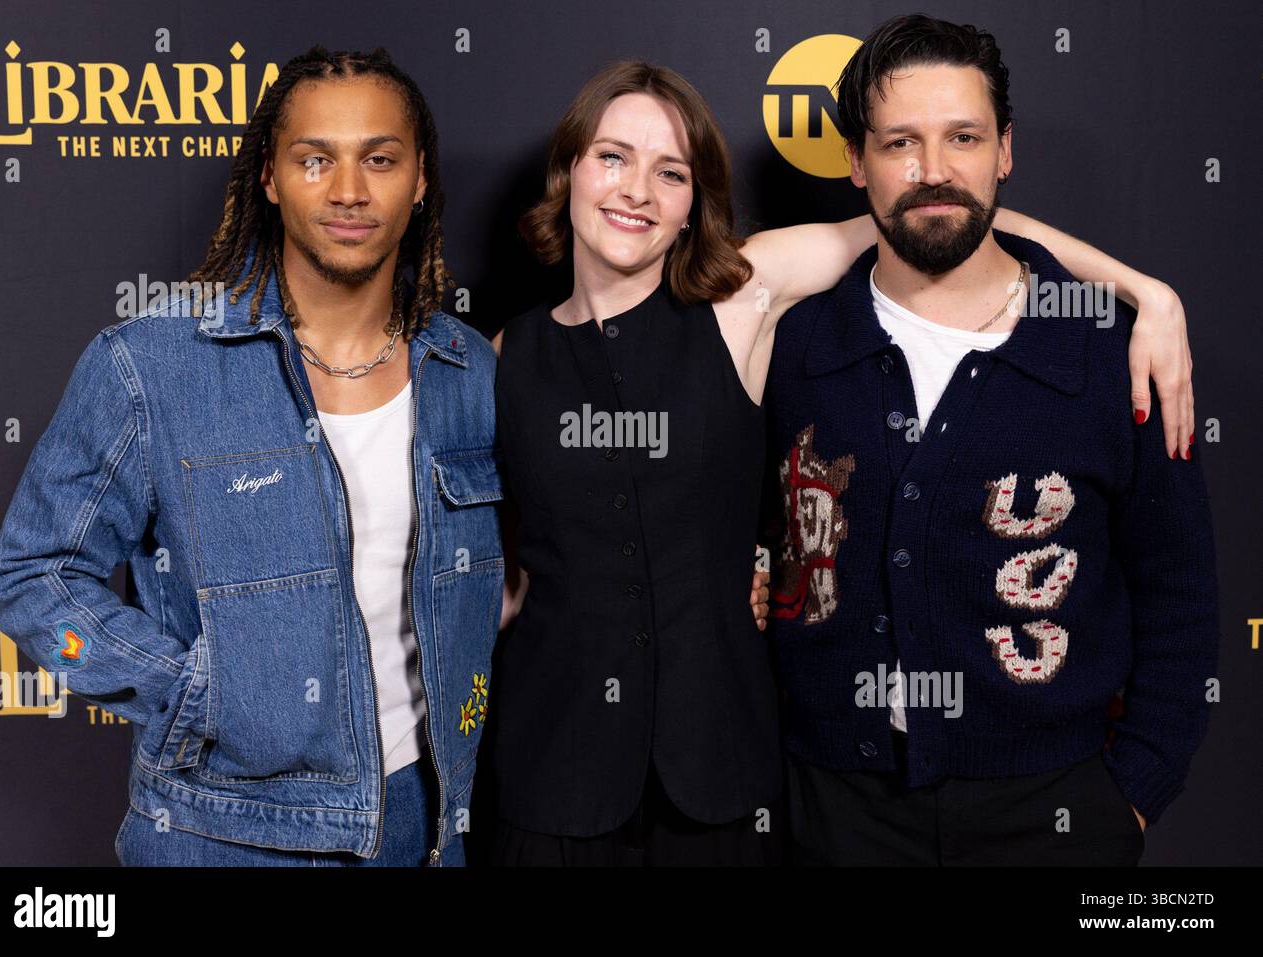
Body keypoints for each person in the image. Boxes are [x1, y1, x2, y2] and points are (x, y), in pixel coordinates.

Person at [486, 58, 1196, 866]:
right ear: (569, 169)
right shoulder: (502, 357)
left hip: (724, 782)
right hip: (552, 773)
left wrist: (1144, 291)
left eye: (670, 171)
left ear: (693, 204)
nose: (636, 190)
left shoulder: (742, 303)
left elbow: (938, 216)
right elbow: (494, 563)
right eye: (612, 157)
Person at [0, 47, 503, 866]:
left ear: (421, 178)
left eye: (379, 158)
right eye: (314, 159)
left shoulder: (469, 372)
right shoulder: (151, 363)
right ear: (269, 177)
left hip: (427, 824)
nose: (348, 191)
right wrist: (191, 690)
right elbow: (31, 574)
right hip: (219, 834)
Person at [764, 14, 1219, 866]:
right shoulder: (793, 347)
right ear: (856, 162)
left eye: (963, 137)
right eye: (901, 142)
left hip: (1054, 812)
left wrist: (1133, 796)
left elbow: (1179, 591)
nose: (934, 171)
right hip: (832, 807)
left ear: (1004, 150)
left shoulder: (1110, 346)